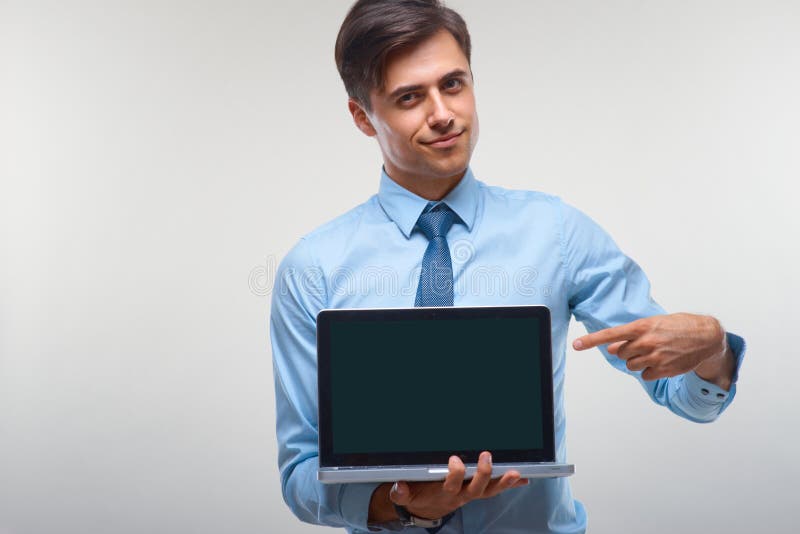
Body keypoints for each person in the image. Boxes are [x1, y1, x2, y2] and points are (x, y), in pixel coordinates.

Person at [269, 1, 745, 532]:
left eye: (453, 84)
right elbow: (300, 476)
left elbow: (687, 399)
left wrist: (714, 348)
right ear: (363, 117)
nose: (443, 113)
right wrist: (400, 504)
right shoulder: (312, 268)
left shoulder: (558, 232)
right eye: (409, 97)